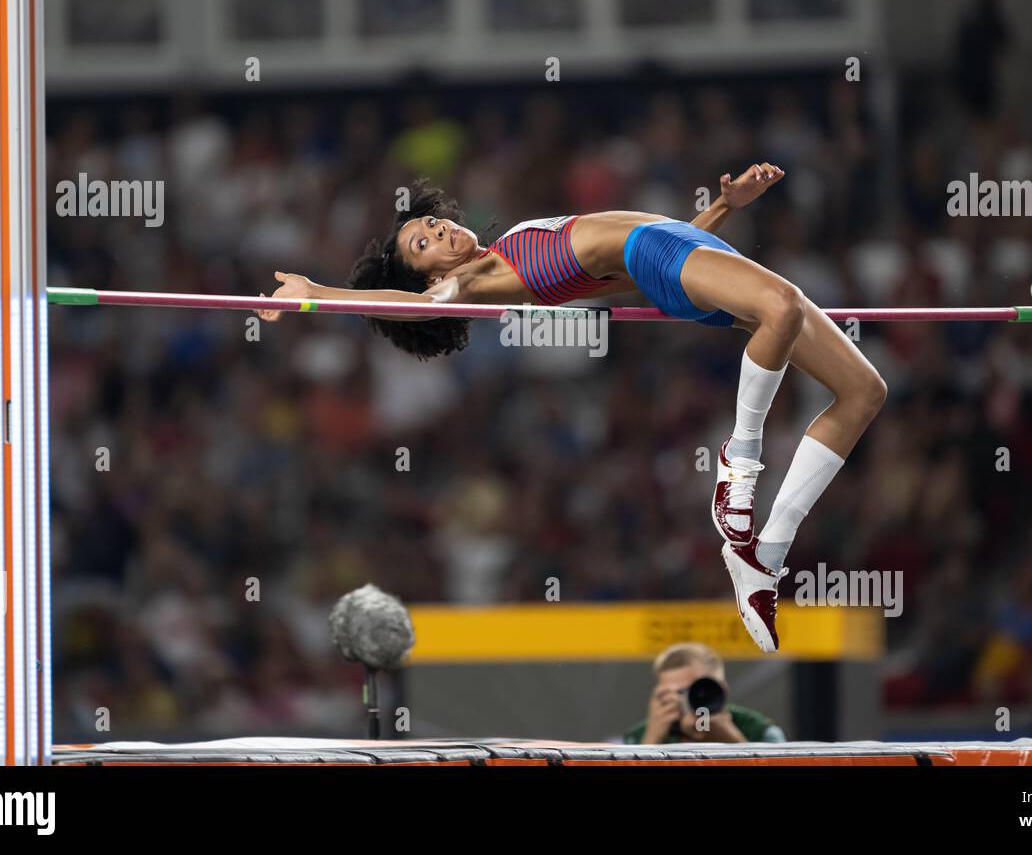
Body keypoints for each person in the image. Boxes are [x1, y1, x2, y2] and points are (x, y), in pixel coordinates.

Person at [261, 164, 887, 651]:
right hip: (659, 254)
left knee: (864, 392)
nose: (439, 232)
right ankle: (738, 472)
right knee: (781, 308)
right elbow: (415, 307)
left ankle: (765, 558)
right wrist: (316, 294)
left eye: (429, 225)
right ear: (427, 278)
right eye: (424, 245)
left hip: (669, 255)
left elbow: (652, 256)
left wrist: (726, 205)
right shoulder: (468, 283)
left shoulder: (498, 249)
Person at [623, 642, 785, 744]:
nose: (689, 700)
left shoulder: (759, 731)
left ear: (721, 690)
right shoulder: (639, 738)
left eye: (698, 690)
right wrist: (651, 742)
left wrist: (735, 744)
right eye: (678, 693)